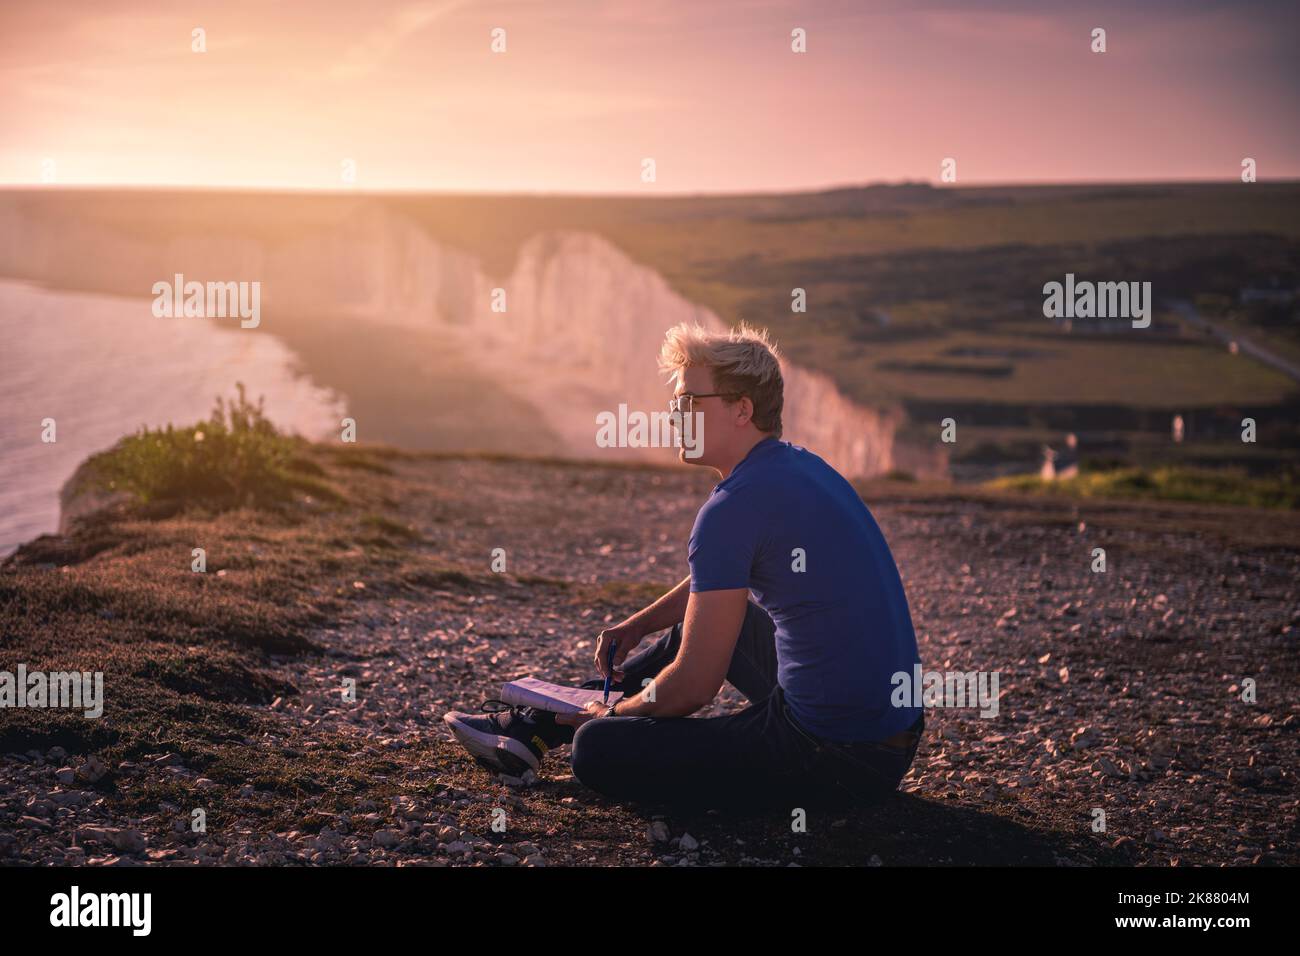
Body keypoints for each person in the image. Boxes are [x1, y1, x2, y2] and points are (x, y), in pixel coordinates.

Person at [444, 323, 924, 808]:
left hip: (834, 755)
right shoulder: (798, 468)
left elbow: (694, 687)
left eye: (689, 402)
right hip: (892, 737)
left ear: (742, 409)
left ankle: (571, 721)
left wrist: (612, 717)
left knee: (598, 749)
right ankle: (537, 726)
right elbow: (718, 579)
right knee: (692, 634)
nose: (674, 416)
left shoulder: (732, 506)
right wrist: (641, 624)